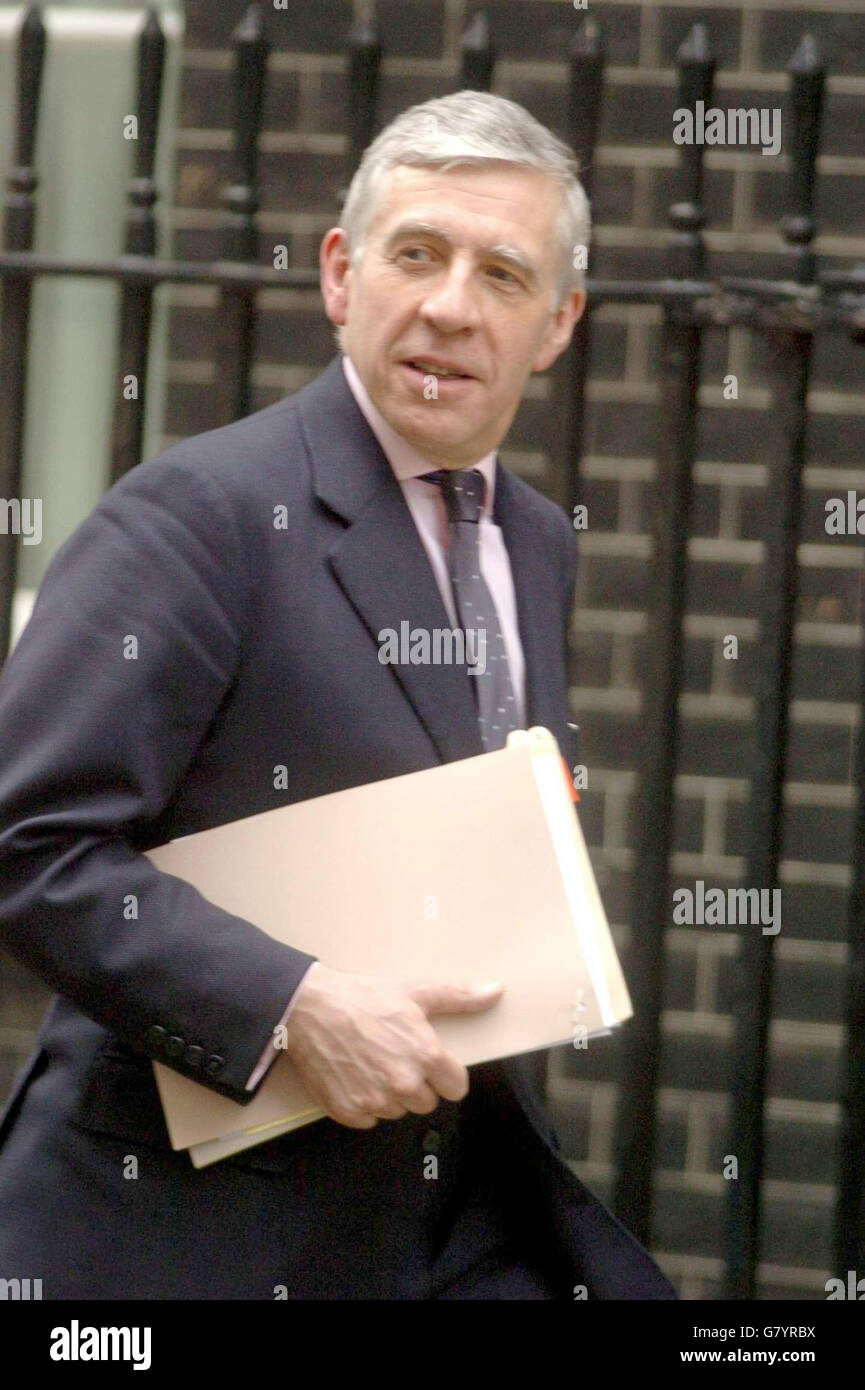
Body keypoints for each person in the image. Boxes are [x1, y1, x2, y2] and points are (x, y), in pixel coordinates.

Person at [0, 90, 675, 1300]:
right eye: (416, 253)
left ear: (560, 321)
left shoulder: (531, 540)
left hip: (451, 1215)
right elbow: (26, 840)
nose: (449, 305)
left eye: (502, 274)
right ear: (339, 273)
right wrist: (291, 1003)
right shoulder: (200, 515)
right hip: (180, 1241)